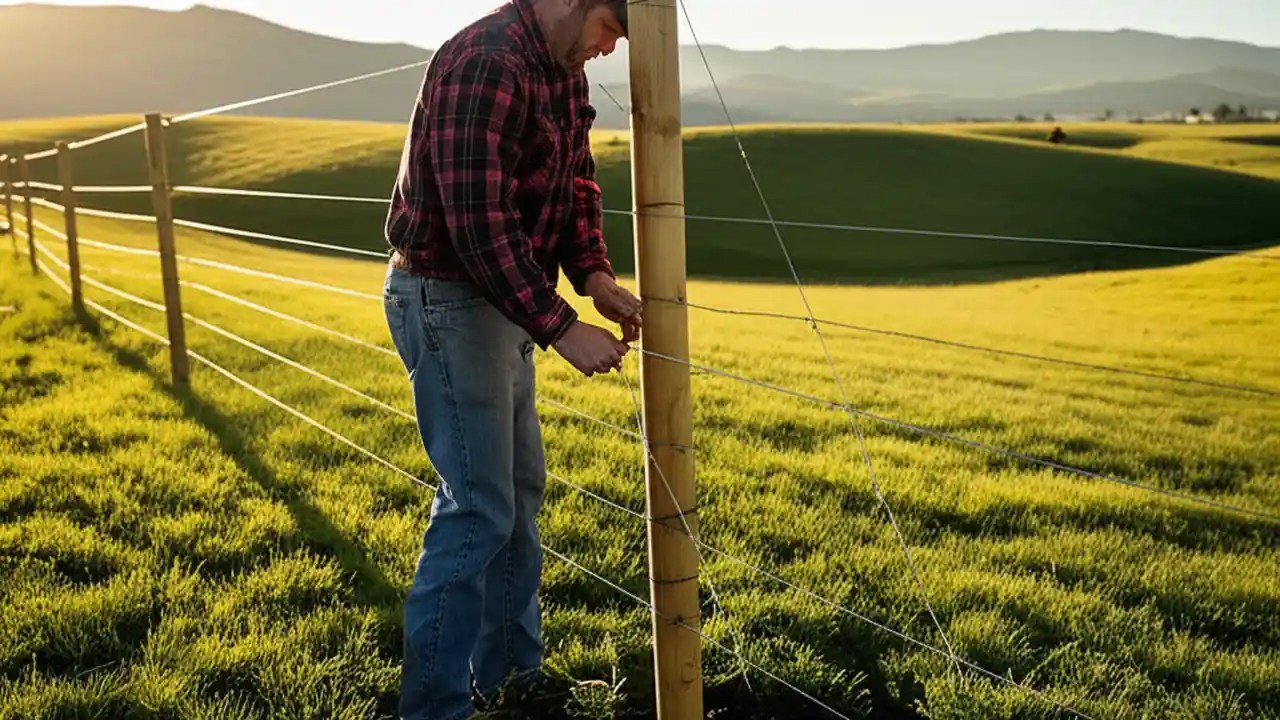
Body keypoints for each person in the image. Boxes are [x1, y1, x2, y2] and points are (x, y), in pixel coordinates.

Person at [381, 1, 638, 718]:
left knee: (518, 497)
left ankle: (512, 678)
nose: (610, 50)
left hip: (498, 300)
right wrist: (563, 327)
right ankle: (434, 706)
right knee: (478, 510)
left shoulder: (560, 68)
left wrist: (593, 276)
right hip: (450, 297)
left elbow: (574, 182)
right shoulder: (487, 61)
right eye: (611, 29)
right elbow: (479, 224)